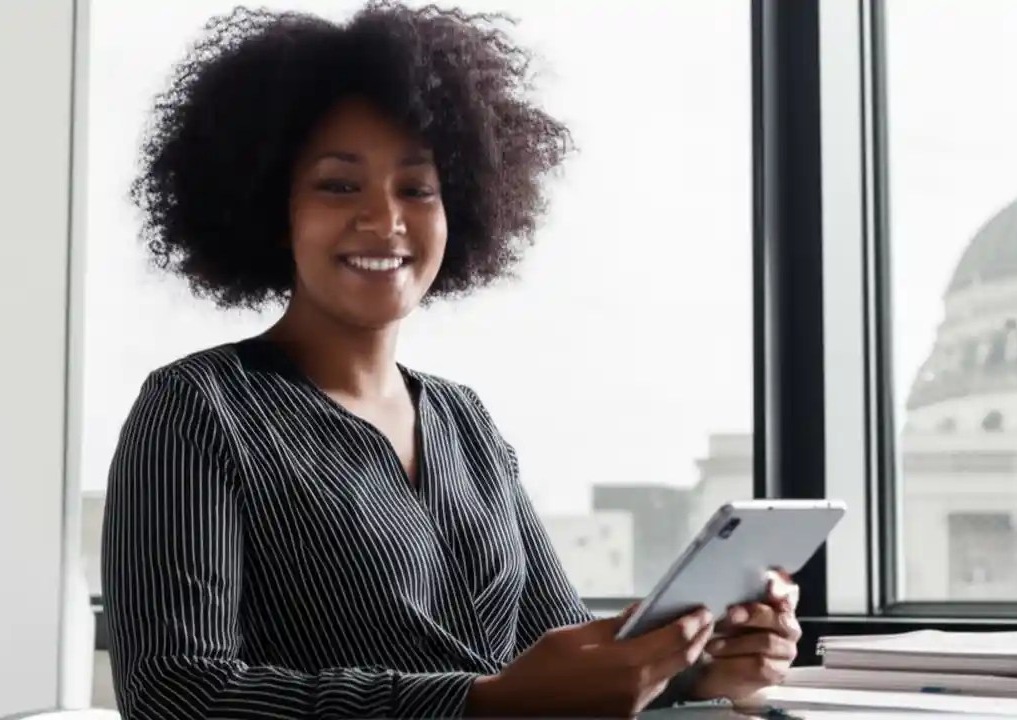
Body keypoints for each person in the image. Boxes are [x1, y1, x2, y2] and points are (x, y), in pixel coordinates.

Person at [102, 3, 802, 718]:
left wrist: (696, 673)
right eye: (339, 185)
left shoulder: (466, 422)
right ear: (273, 211)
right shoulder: (197, 408)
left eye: (417, 188)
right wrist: (478, 704)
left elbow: (556, 662)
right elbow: (174, 694)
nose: (385, 218)